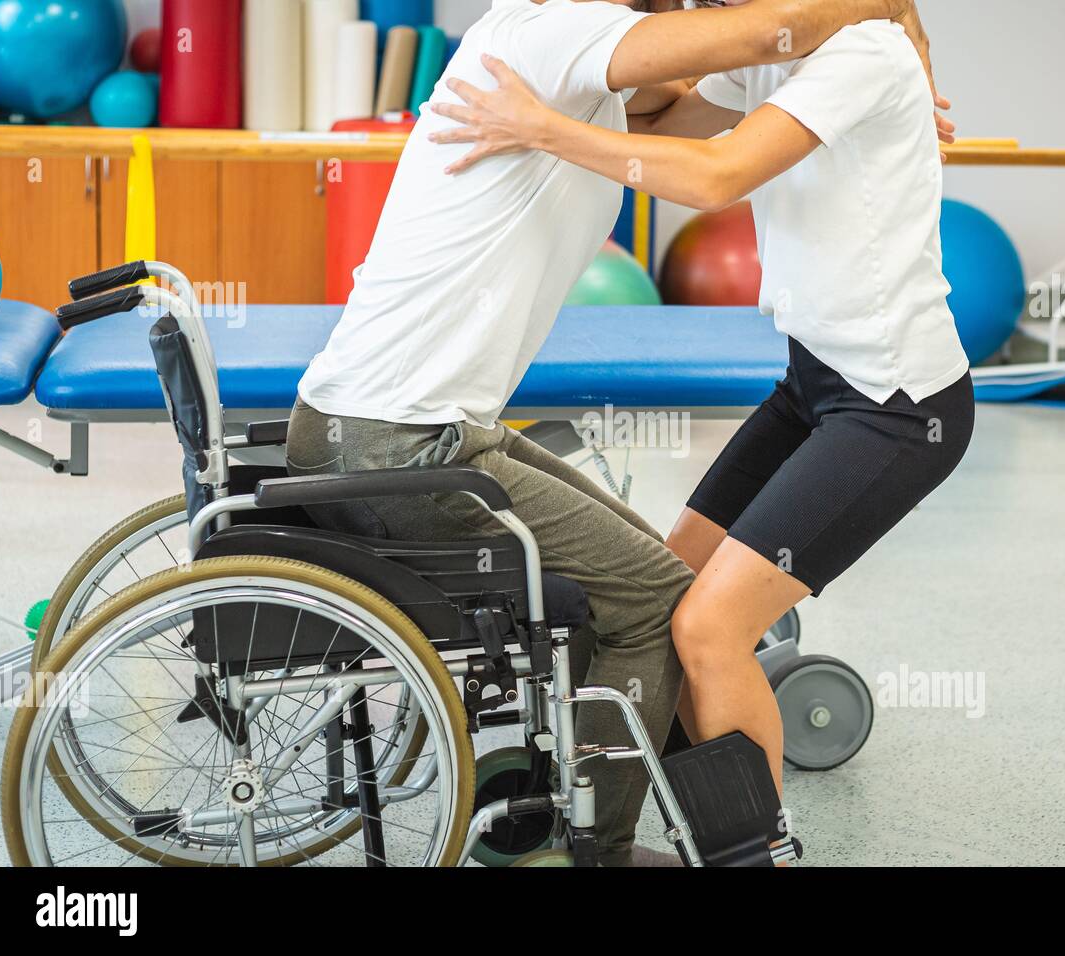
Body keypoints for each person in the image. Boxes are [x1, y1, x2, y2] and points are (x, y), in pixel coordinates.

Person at [288, 0, 934, 867]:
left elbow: (711, 119)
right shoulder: (554, 36)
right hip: (410, 442)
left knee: (674, 594)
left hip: (382, 427)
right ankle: (602, 838)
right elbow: (734, 64)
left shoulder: (562, 63)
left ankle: (662, 819)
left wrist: (887, 62)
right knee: (665, 605)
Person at [429, 0, 976, 797]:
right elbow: (668, 123)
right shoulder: (774, 52)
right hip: (814, 383)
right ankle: (678, 796)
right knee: (666, 586)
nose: (716, 12)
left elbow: (715, 177)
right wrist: (585, 70)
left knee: (710, 626)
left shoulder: (865, 55)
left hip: (897, 407)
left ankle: (756, 845)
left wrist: (538, 126)